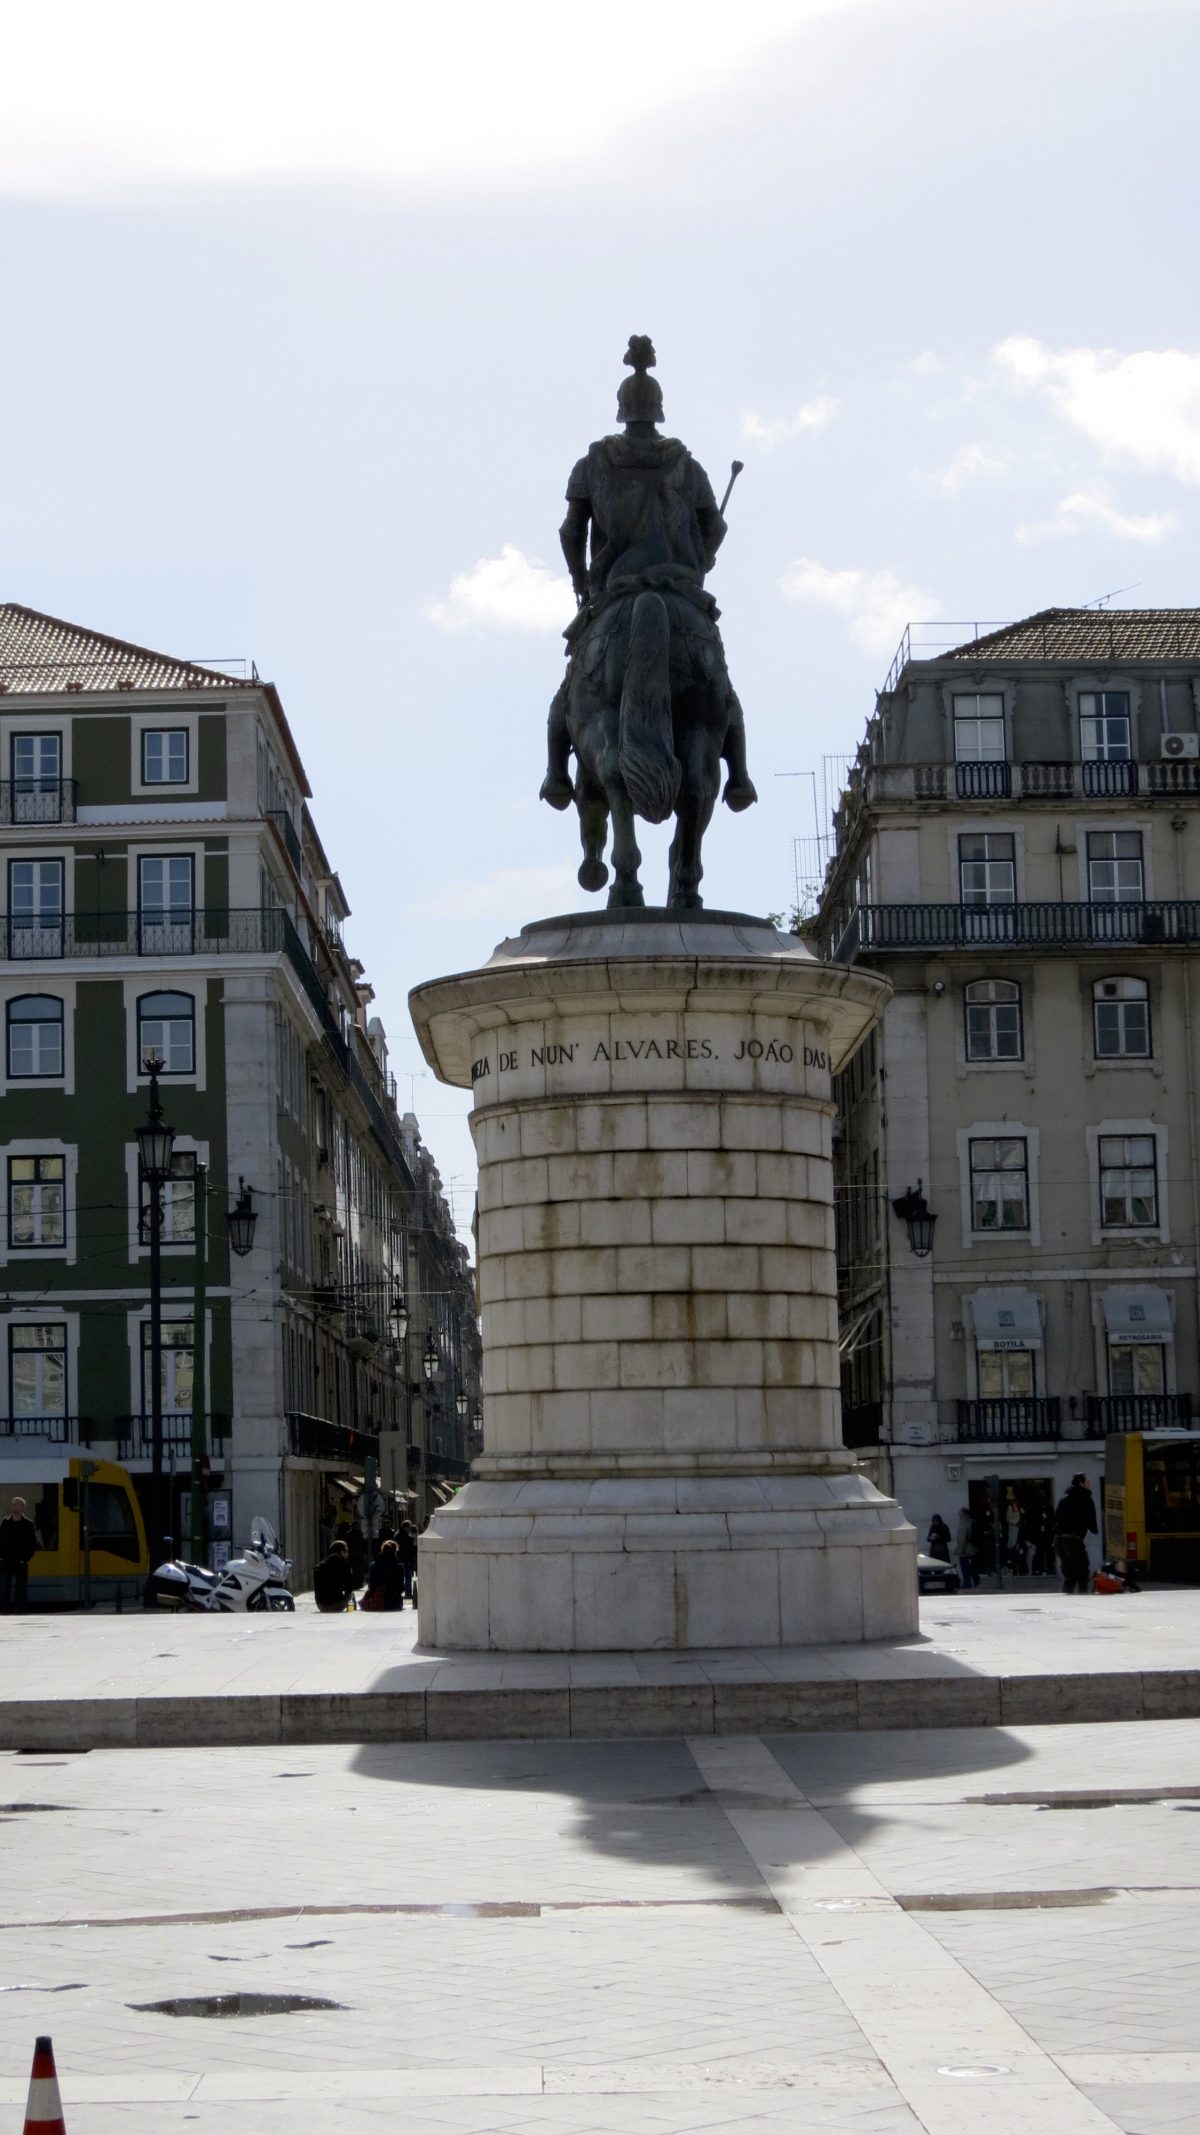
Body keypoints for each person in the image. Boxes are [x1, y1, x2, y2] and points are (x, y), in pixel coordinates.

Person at [1054, 1472, 1098, 1594]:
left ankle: (1067, 1593)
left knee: (1068, 1572)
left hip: (1059, 1540)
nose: (1090, 1483)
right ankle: (1082, 1593)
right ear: (1081, 1483)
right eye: (1087, 1481)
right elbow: (1091, 1517)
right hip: (1073, 1539)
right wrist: (1094, 1529)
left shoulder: (1064, 1497)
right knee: (1082, 1568)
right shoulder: (1084, 1497)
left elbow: (1056, 1517)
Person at [0, 1496, 39, 1612]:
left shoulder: (28, 1524)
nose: (14, 1506)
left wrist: (25, 1558)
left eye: (17, 1504)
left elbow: (32, 1543)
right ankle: (3, 1611)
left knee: (21, 1588)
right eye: (13, 1504)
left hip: (20, 1562)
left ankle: (20, 1610)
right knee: (4, 1587)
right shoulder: (5, 1522)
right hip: (5, 1561)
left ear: (23, 1507)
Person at [313, 1538, 356, 1614]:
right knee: (352, 1594)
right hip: (336, 1605)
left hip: (321, 1605)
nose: (347, 1553)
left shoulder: (319, 1566)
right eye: (346, 1551)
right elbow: (349, 1587)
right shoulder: (343, 1565)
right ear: (341, 1552)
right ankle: (352, 1610)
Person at [363, 1537, 406, 1612]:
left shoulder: (374, 1566)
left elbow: (371, 1585)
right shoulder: (399, 1567)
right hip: (394, 1602)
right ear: (395, 1551)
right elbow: (401, 1588)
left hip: (377, 1600)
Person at [955, 1506, 978, 1589]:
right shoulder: (971, 1522)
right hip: (972, 1548)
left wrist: (960, 1550)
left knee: (964, 1567)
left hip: (965, 1549)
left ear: (963, 1514)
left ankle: (966, 1583)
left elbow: (962, 1538)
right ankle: (974, 1580)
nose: (958, 1514)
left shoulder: (963, 1523)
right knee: (970, 1566)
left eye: (960, 1513)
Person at [397, 1521, 419, 1605]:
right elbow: (407, 1546)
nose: (410, 1529)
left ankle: (407, 1592)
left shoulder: (400, 1534)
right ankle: (408, 1592)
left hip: (403, 1558)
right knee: (407, 1576)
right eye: (409, 1528)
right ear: (405, 1527)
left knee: (405, 1576)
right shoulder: (402, 1535)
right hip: (404, 1558)